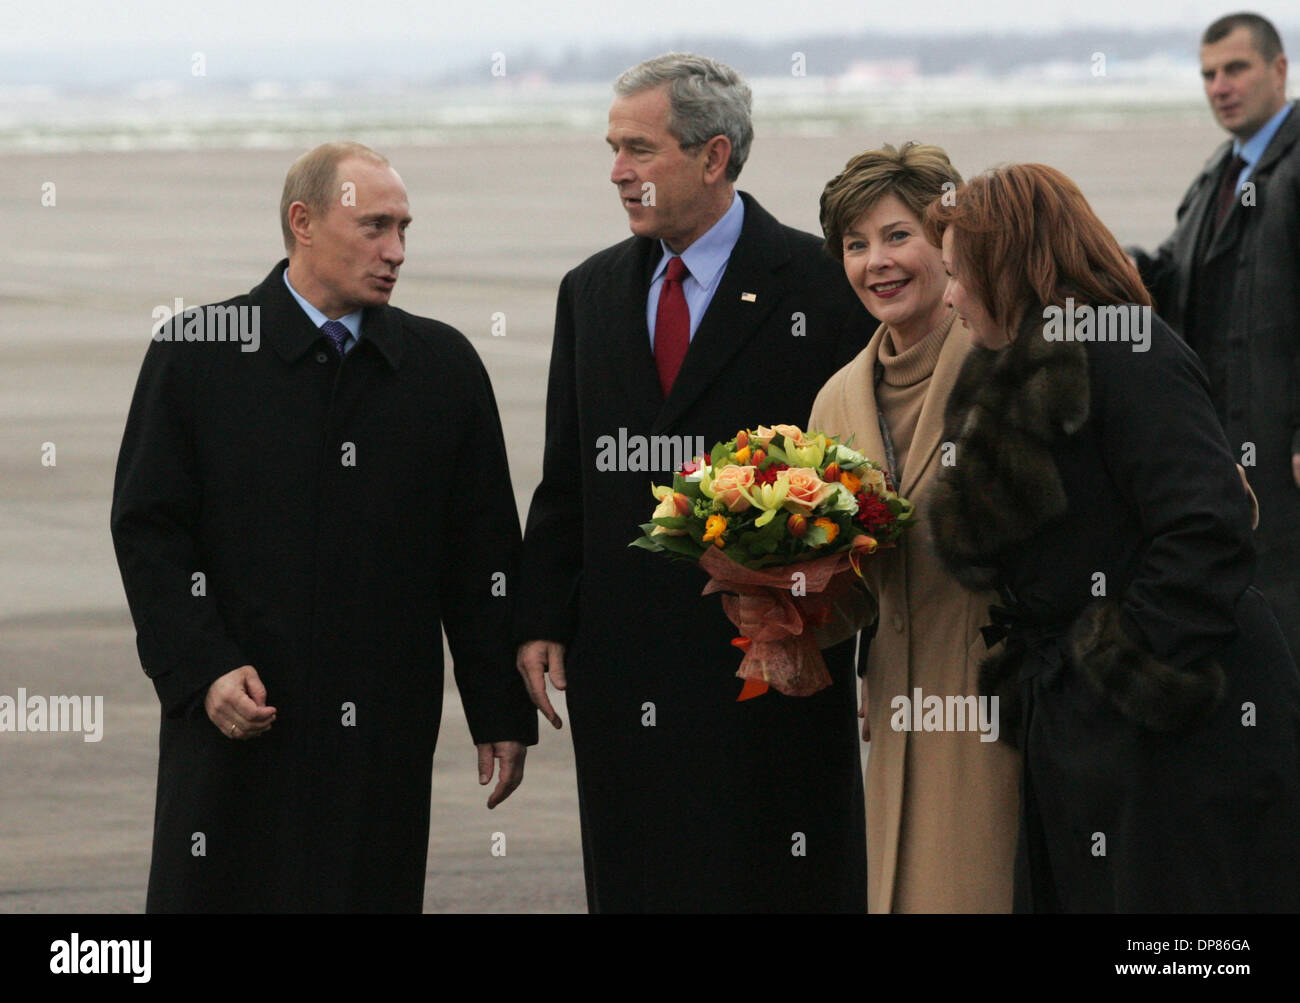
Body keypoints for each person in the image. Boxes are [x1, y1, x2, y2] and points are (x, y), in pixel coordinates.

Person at [111, 141, 537, 913]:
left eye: (404, 227)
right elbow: (150, 533)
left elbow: (481, 558)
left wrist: (498, 709)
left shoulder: (441, 367)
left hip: (381, 730)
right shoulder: (195, 354)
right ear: (302, 222)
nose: (396, 251)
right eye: (374, 226)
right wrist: (204, 666)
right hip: (237, 718)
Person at [515, 53, 872, 912]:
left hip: (768, 665)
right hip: (623, 669)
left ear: (713, 156)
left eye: (639, 149)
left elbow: (865, 486)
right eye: (613, 148)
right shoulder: (589, 292)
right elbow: (566, 477)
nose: (617, 171)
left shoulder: (822, 285)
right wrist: (540, 618)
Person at [926, 162, 1300, 911]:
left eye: (959, 273)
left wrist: (1112, 683)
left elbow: (1207, 529)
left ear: (1011, 264)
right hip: (1094, 724)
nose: (951, 296)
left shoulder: (1128, 350)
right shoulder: (1027, 367)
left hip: (1181, 724)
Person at [808, 143, 1018, 913]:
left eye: (898, 236)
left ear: (948, 242)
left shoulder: (1010, 359)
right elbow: (859, 587)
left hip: (1003, 702)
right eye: (856, 245)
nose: (876, 263)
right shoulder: (837, 397)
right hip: (895, 703)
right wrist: (780, 601)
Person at [1129, 12, 1300, 659]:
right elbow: (1172, 274)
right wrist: (1107, 268)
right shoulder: (1218, 174)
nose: (1219, 86)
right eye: (1208, 74)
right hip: (1230, 446)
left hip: (1285, 447)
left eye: (1236, 68)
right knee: (1252, 628)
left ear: (1278, 68)